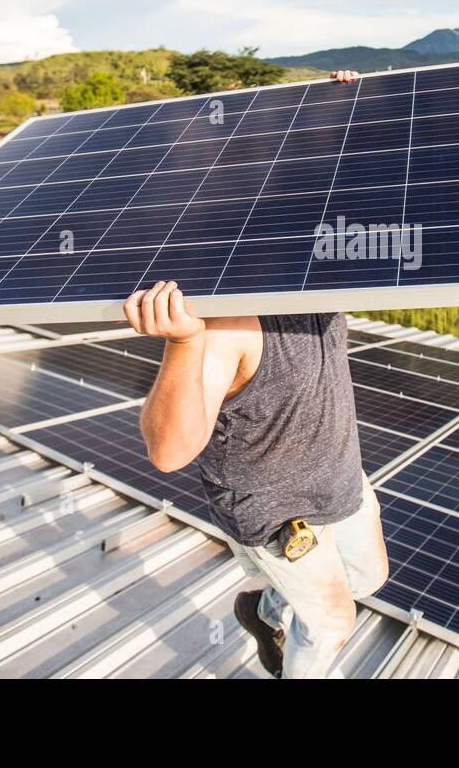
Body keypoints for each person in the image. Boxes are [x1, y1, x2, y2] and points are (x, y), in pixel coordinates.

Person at [123, 69, 389, 679]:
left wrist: (338, 107)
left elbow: (340, 177)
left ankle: (263, 606)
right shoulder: (228, 321)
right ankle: (284, 624)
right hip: (275, 513)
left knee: (370, 579)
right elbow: (168, 451)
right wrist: (184, 344)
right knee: (330, 626)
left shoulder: (317, 262)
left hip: (339, 475)